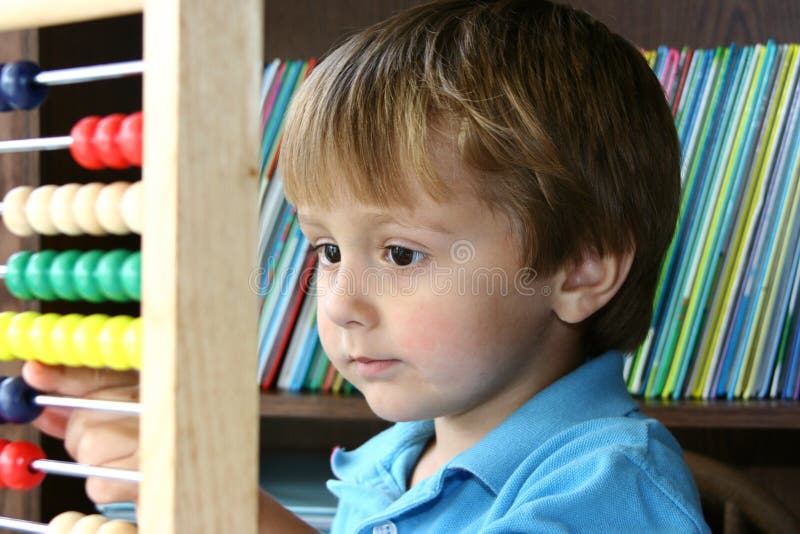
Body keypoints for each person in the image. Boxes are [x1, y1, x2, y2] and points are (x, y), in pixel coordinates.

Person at [24, 0, 711, 532]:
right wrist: (154, 473)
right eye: (327, 251)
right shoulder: (395, 458)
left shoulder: (610, 490)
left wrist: (207, 493)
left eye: (401, 253)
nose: (341, 301)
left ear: (581, 269)